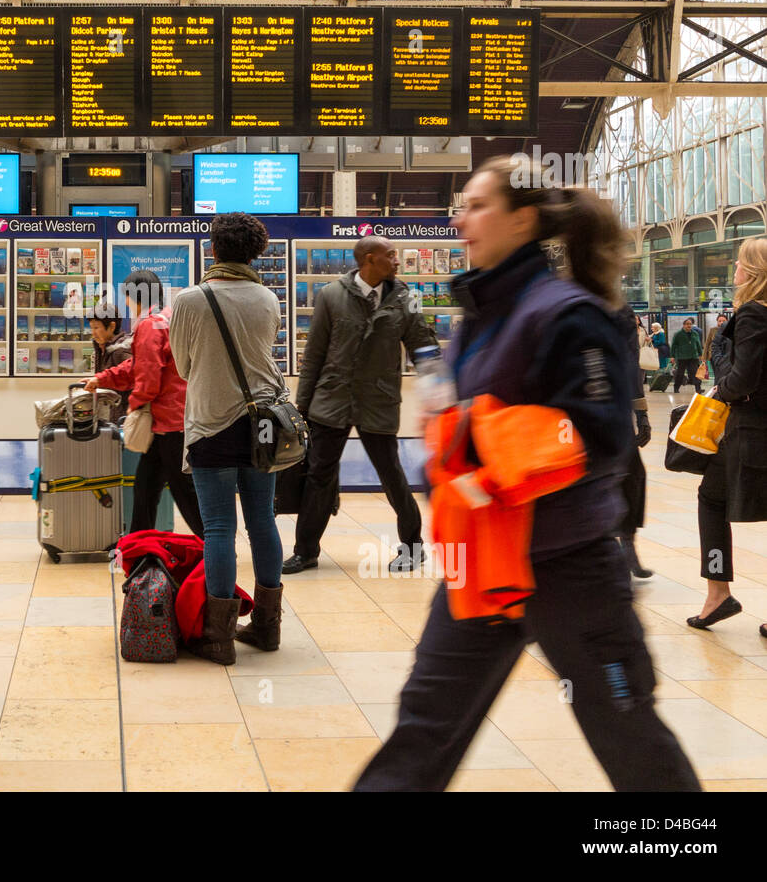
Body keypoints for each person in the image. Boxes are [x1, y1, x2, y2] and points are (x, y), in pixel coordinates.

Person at [354, 156, 699, 792]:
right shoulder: (482, 312)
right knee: (427, 722)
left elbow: (601, 436)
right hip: (482, 562)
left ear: (523, 219)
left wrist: (480, 445)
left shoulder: (568, 315)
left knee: (625, 729)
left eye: (478, 205)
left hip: (566, 565)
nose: (461, 221)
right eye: (462, 206)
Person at [168, 213, 289, 664]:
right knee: (263, 521)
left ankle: (218, 637)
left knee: (219, 527)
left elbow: (183, 367)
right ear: (256, 253)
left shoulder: (190, 299)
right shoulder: (267, 297)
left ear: (213, 249)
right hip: (263, 426)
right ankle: (267, 627)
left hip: (211, 424)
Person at [285, 235, 438, 575]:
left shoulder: (407, 299)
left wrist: (437, 396)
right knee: (318, 477)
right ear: (369, 259)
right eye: (391, 255)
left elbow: (422, 346)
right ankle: (306, 551)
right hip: (332, 400)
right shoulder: (331, 296)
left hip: (378, 402)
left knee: (391, 474)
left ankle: (413, 547)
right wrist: (303, 409)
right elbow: (314, 356)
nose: (397, 261)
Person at [86, 271, 204, 537]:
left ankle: (217, 546)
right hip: (171, 421)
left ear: (133, 296)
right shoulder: (171, 317)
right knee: (146, 488)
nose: (126, 304)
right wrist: (102, 378)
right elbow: (138, 365)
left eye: (126, 297)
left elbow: (148, 377)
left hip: (169, 424)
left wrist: (134, 405)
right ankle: (138, 551)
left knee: (184, 494)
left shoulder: (150, 325)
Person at [688, 237, 767, 635]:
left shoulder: (753, 312)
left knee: (711, 500)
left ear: (752, 272)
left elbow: (744, 376)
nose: (733, 270)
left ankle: (718, 592)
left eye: (738, 264)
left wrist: (722, 389)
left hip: (751, 429)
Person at [613, 304, 653, 578]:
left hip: (568, 411)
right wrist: (641, 414)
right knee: (631, 476)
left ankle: (625, 548)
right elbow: (629, 366)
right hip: (609, 412)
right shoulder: (620, 311)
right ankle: (625, 547)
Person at [671, 317, 703, 394]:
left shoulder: (695, 333)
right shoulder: (678, 334)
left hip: (693, 357)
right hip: (682, 357)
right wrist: (672, 356)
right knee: (680, 373)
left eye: (690, 324)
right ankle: (676, 388)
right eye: (687, 324)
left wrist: (700, 354)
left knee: (695, 373)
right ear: (684, 325)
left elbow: (698, 344)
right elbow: (673, 345)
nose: (689, 325)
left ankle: (698, 389)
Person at [701, 313, 729, 380]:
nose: (721, 322)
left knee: (725, 374)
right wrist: (704, 358)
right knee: (717, 375)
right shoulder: (713, 330)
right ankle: (716, 389)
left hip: (726, 356)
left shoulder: (730, 330)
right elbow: (707, 343)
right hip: (714, 356)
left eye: (724, 320)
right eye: (719, 321)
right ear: (717, 322)